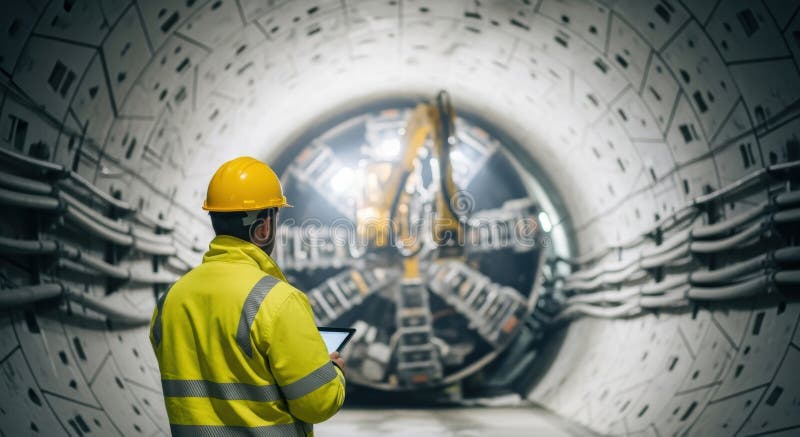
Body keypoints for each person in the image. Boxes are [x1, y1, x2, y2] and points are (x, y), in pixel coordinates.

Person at [149, 156, 346, 436]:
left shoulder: (169, 300)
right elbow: (318, 403)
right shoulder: (278, 301)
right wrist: (333, 372)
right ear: (264, 226)